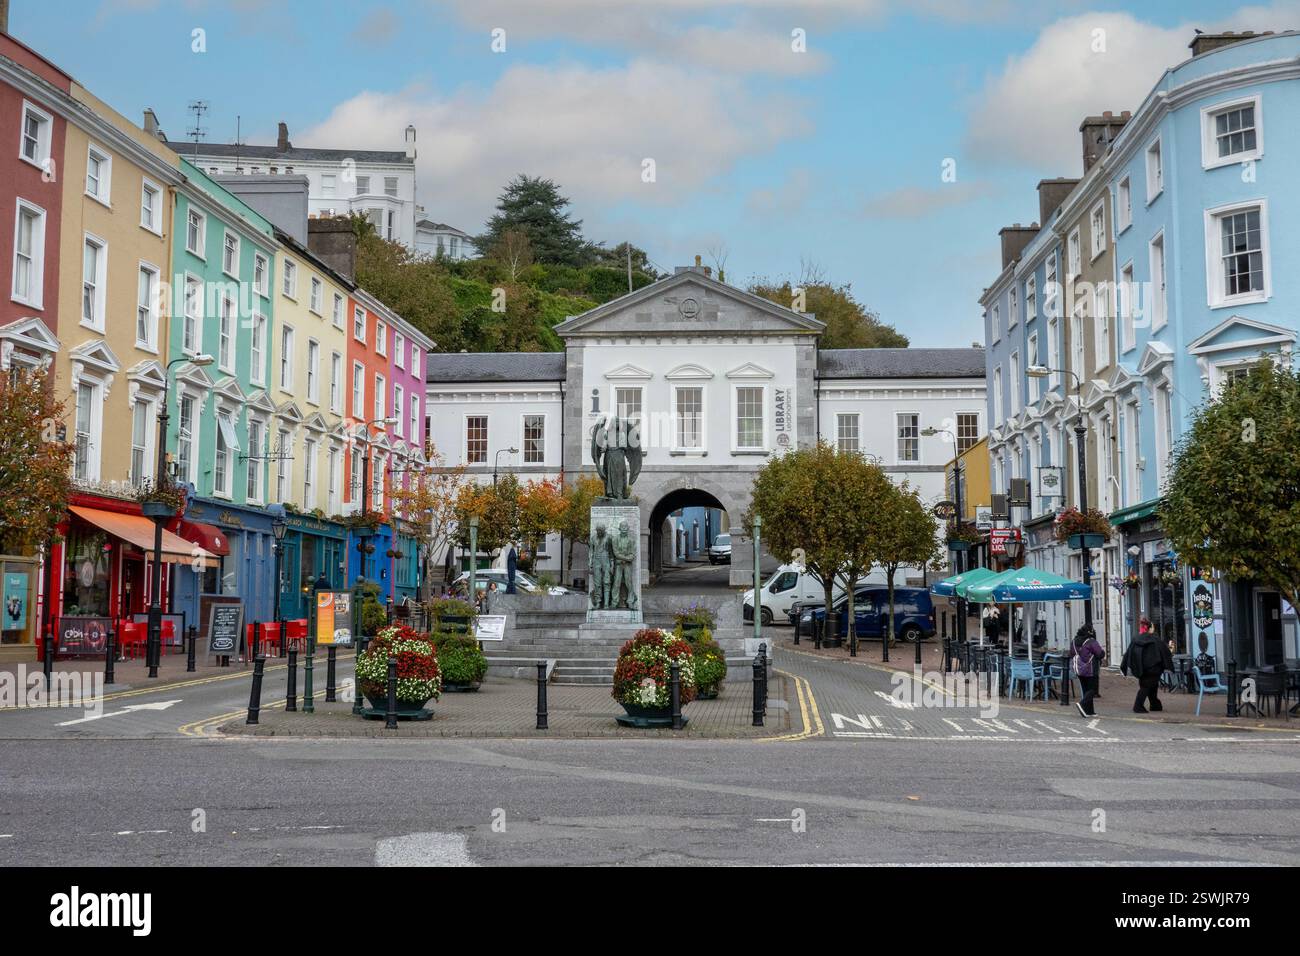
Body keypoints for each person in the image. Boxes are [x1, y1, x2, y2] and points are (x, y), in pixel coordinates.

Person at [1122, 616, 1173, 713]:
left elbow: (1128, 653)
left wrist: (1126, 666)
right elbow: (1164, 651)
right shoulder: (1155, 639)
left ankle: (1155, 704)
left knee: (1151, 686)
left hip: (1141, 668)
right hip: (1153, 668)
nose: (1154, 629)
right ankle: (1138, 706)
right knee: (1146, 687)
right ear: (1149, 628)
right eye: (1153, 627)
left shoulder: (1136, 639)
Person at [1071, 624, 1106, 717]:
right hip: (1090, 669)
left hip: (1079, 669)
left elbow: (1071, 653)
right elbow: (1100, 654)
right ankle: (1082, 704)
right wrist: (1102, 653)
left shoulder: (1074, 641)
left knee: (1086, 690)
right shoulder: (1091, 641)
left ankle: (1089, 711)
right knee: (1092, 690)